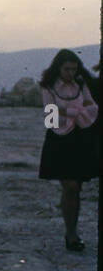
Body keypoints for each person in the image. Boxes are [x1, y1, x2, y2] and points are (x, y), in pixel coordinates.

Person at [38, 49, 99, 252]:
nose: (70, 73)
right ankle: (71, 233)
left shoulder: (81, 85)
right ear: (58, 68)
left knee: (76, 187)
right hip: (59, 140)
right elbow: (50, 116)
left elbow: (91, 109)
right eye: (67, 69)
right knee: (69, 185)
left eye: (74, 69)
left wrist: (66, 110)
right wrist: (76, 111)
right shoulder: (49, 86)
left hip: (79, 139)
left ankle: (72, 233)